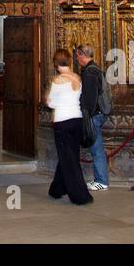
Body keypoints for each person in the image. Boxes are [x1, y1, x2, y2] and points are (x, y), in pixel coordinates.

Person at [46, 49, 93, 205]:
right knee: (70, 154)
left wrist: (50, 99)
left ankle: (80, 195)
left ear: (56, 63)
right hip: (77, 120)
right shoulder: (77, 77)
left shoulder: (57, 80)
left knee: (69, 159)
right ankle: (57, 189)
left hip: (63, 121)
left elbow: (50, 103)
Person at [76, 46, 109, 191]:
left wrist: (86, 114)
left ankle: (102, 180)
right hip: (98, 113)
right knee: (96, 147)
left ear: (83, 55)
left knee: (97, 149)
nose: (77, 59)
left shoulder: (90, 72)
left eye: (77, 56)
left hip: (94, 115)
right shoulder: (94, 68)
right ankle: (99, 179)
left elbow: (90, 97)